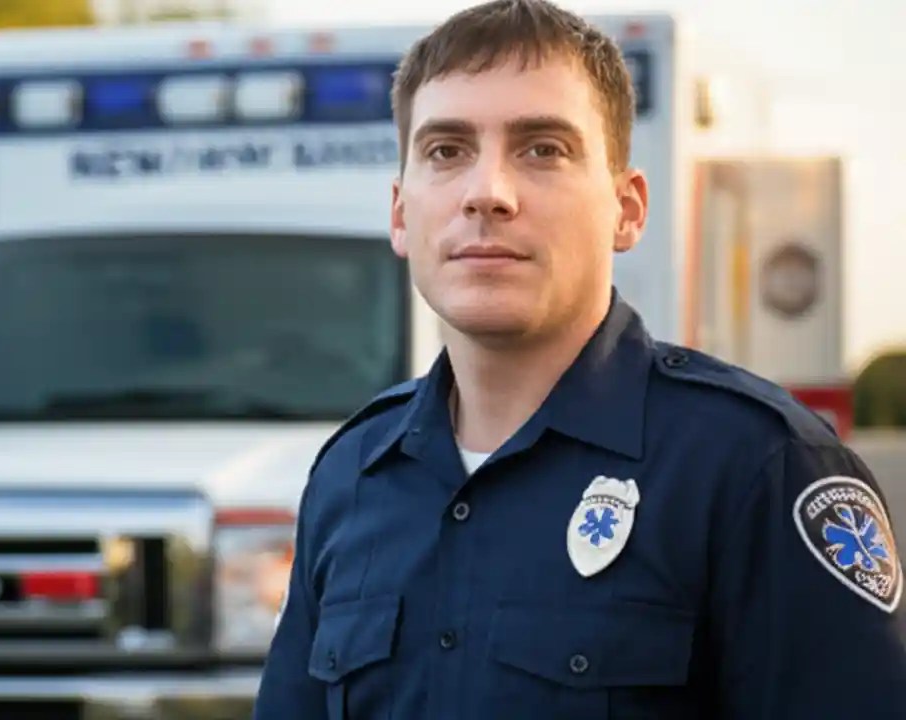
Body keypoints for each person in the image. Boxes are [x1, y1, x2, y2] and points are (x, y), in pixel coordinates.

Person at [251, 1, 906, 718]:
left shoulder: (759, 469)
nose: (487, 194)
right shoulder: (350, 477)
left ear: (626, 210)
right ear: (402, 213)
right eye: (446, 150)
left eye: (543, 149)